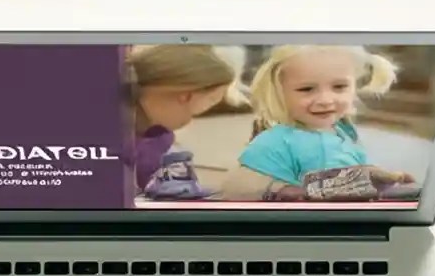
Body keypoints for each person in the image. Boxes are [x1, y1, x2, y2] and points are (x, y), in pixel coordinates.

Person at [222, 45, 419, 202]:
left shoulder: (344, 132)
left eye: (339, 87)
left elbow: (347, 178)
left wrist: (384, 181)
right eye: (307, 89)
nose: (325, 99)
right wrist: (288, 191)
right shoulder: (275, 141)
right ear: (279, 91)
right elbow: (236, 187)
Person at [126, 44, 247, 195]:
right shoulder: (115, 135)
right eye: (211, 99)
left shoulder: (158, 137)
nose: (190, 121)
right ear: (186, 96)